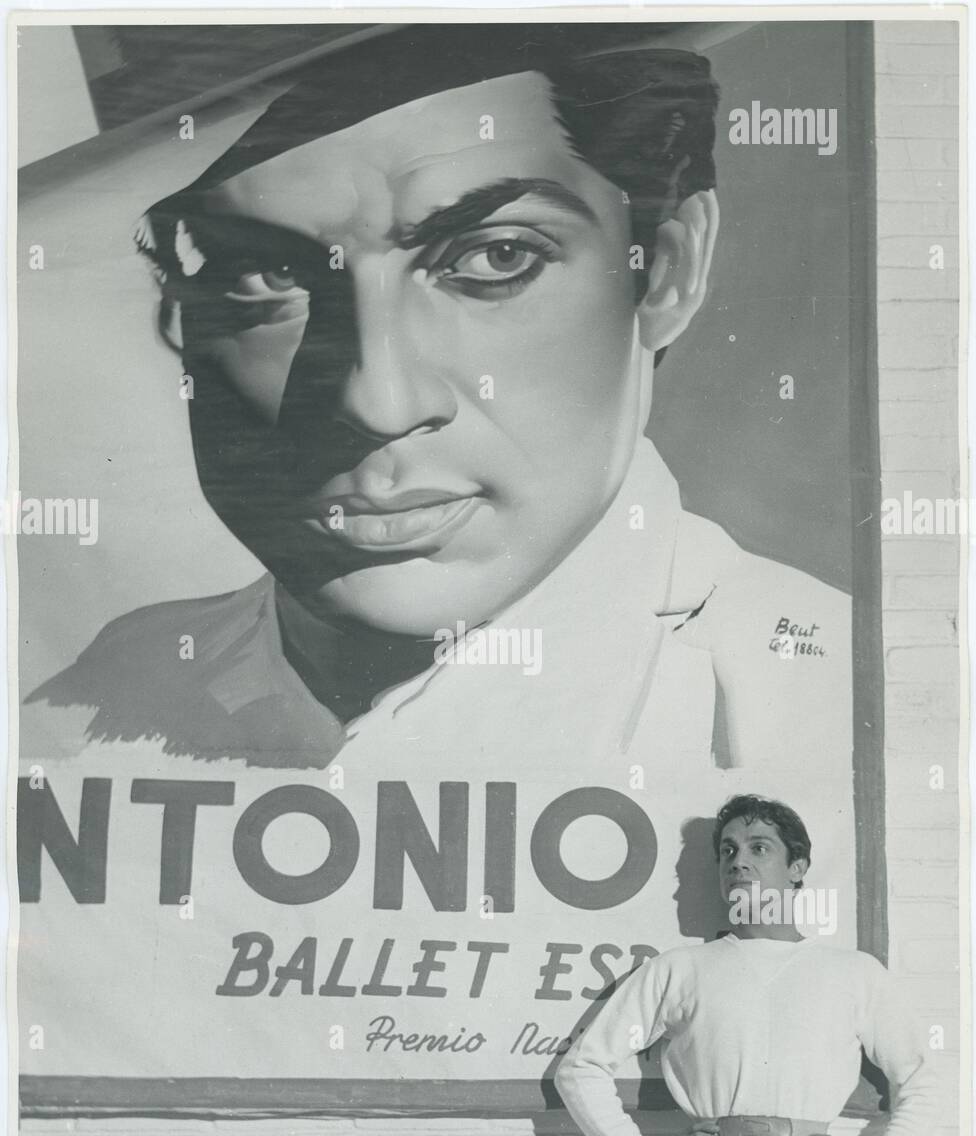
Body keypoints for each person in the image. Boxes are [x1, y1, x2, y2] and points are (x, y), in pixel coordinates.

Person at [25, 24, 851, 773]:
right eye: (267, 274)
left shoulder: (841, 705)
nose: (377, 402)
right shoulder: (90, 711)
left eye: (495, 259)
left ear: (666, 268)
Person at [555, 794, 941, 1136]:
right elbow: (582, 1067)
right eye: (728, 851)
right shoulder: (679, 969)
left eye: (759, 848)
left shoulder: (852, 972)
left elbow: (922, 1081)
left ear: (797, 867)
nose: (739, 861)